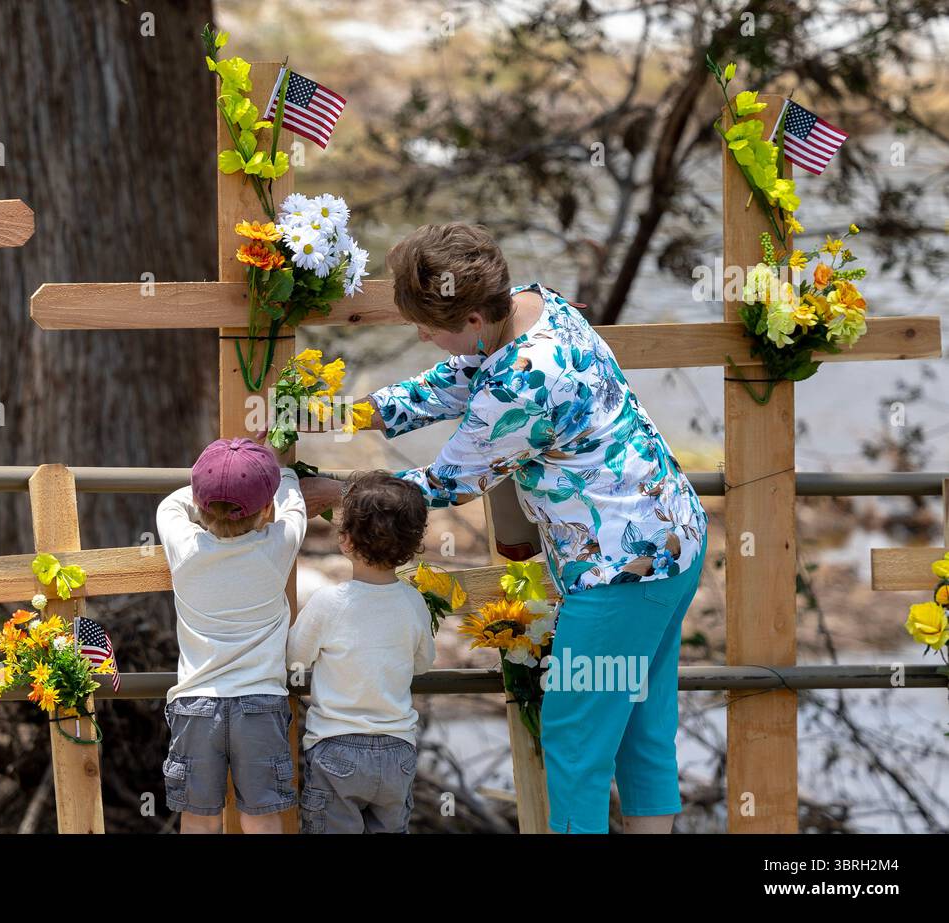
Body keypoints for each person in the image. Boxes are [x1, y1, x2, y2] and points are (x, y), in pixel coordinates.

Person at [300, 222, 709, 834]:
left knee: (574, 736)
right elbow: (457, 381)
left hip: (621, 570)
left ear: (469, 320)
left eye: (428, 326)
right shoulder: (536, 306)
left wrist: (337, 492)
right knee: (640, 726)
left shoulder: (525, 381)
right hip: (674, 538)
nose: (420, 335)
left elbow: (450, 480)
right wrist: (345, 413)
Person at [156, 436, 306, 833]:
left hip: (195, 704)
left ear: (202, 507)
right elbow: (296, 507)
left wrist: (212, 486)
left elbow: (169, 505)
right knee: (261, 816)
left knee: (198, 818)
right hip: (260, 704)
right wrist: (284, 472)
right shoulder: (278, 545)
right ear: (265, 508)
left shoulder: (184, 547)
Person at [287, 471, 435, 834]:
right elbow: (423, 662)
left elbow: (295, 658)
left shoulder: (328, 603)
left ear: (346, 541)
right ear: (412, 544)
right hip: (398, 750)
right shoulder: (414, 603)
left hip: (336, 747)